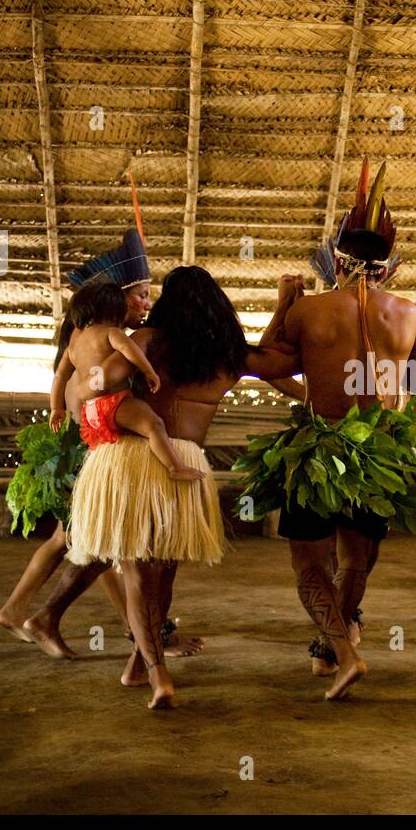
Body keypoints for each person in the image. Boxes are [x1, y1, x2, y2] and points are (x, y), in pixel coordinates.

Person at [62, 265, 300, 709]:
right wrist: (287, 305)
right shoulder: (230, 355)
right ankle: (141, 664)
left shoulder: (150, 339)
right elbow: (280, 359)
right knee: (163, 569)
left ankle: (157, 674)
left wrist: (81, 381)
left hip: (132, 457)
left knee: (136, 573)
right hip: (185, 462)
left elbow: (103, 379)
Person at [251, 159, 416, 702]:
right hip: (380, 448)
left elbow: (262, 364)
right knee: (356, 558)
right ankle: (336, 644)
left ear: (337, 258)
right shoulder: (409, 313)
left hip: (321, 445)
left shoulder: (311, 310)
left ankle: (342, 652)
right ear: (387, 264)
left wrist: (283, 305)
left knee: (309, 563)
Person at [0, 232, 154, 647]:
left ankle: (134, 629)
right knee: (84, 541)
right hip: (88, 450)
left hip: (83, 446)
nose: (147, 304)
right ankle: (26, 612)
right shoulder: (109, 346)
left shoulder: (79, 344)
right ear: (117, 302)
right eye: (141, 296)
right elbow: (98, 392)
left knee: (92, 543)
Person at [51, 281, 202, 482]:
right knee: (154, 425)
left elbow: (60, 376)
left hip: (90, 413)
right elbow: (129, 349)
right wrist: (148, 371)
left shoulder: (74, 344)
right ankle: (175, 467)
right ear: (115, 309)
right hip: (113, 403)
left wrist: (56, 408)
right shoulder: (110, 332)